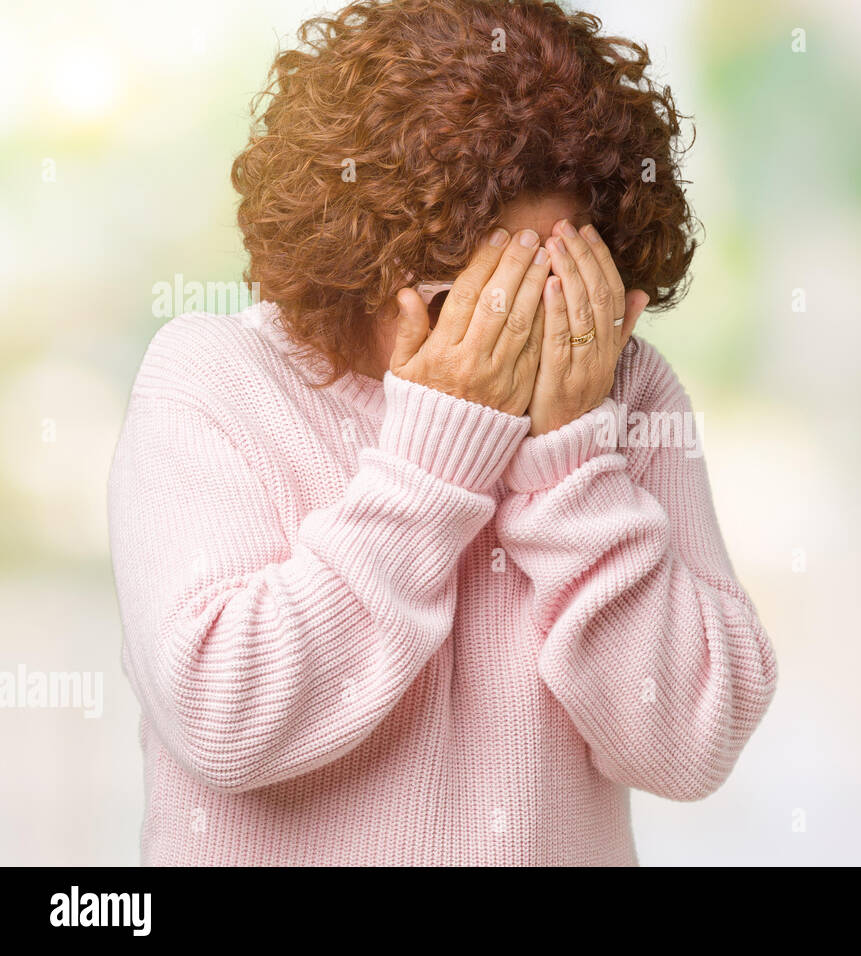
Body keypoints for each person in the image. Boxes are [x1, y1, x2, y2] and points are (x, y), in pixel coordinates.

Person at [107, 0, 776, 866]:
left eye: (554, 295)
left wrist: (574, 463)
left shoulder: (623, 390)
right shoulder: (210, 379)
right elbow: (226, 716)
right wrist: (431, 465)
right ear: (355, 270)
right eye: (466, 304)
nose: (518, 343)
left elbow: (692, 744)